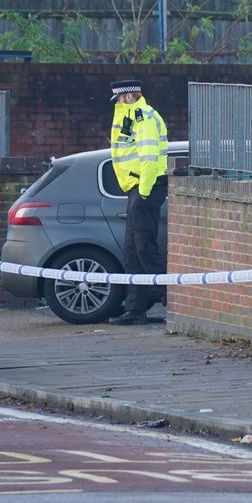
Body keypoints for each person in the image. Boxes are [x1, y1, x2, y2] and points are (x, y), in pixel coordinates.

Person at [107, 79, 169, 325]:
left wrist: (143, 192)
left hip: (146, 188)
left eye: (120, 98)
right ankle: (135, 309)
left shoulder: (143, 117)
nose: (118, 103)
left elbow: (149, 156)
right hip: (136, 188)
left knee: (144, 247)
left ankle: (170, 296)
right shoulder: (131, 116)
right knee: (133, 250)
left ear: (129, 96)